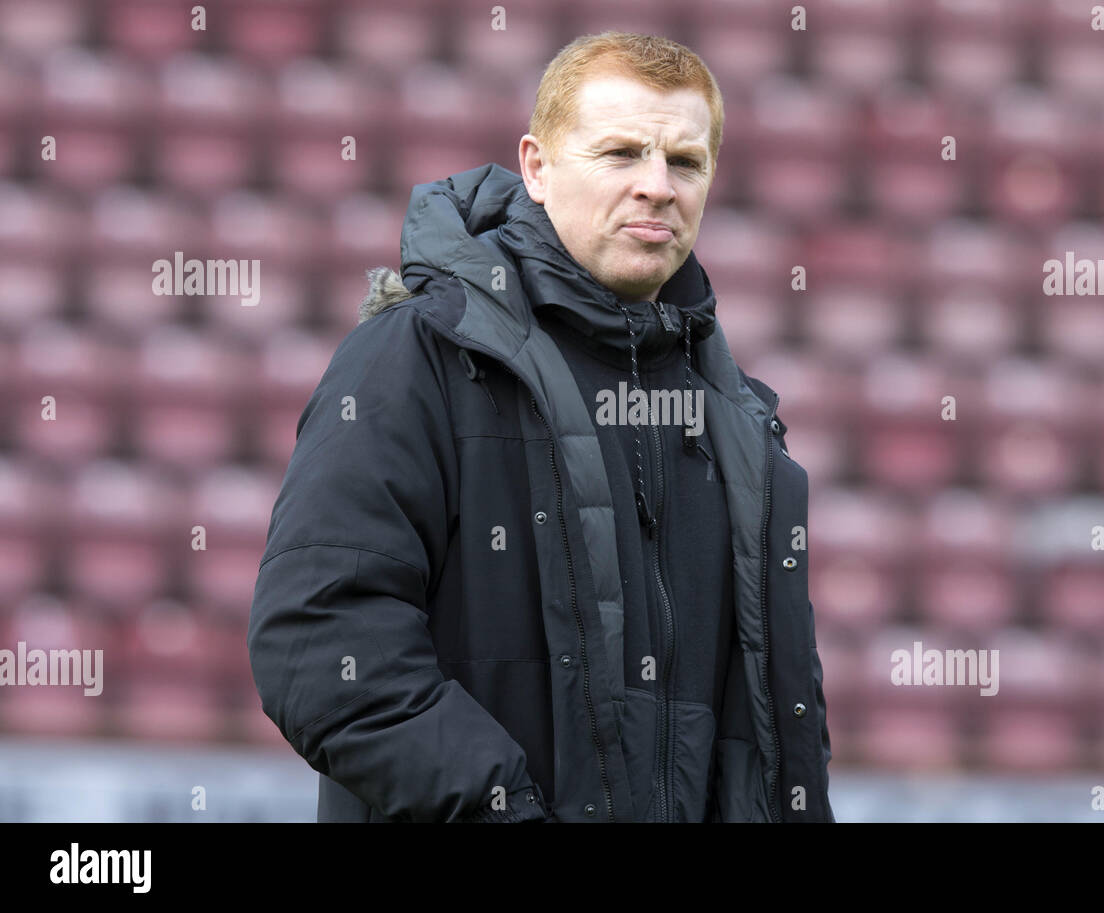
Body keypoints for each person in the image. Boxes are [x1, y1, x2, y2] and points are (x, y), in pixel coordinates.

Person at [247, 30, 834, 823]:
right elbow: (320, 643)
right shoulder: (414, 358)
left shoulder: (739, 421)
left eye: (684, 162)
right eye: (621, 153)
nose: (657, 186)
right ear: (536, 167)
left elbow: (777, 732)